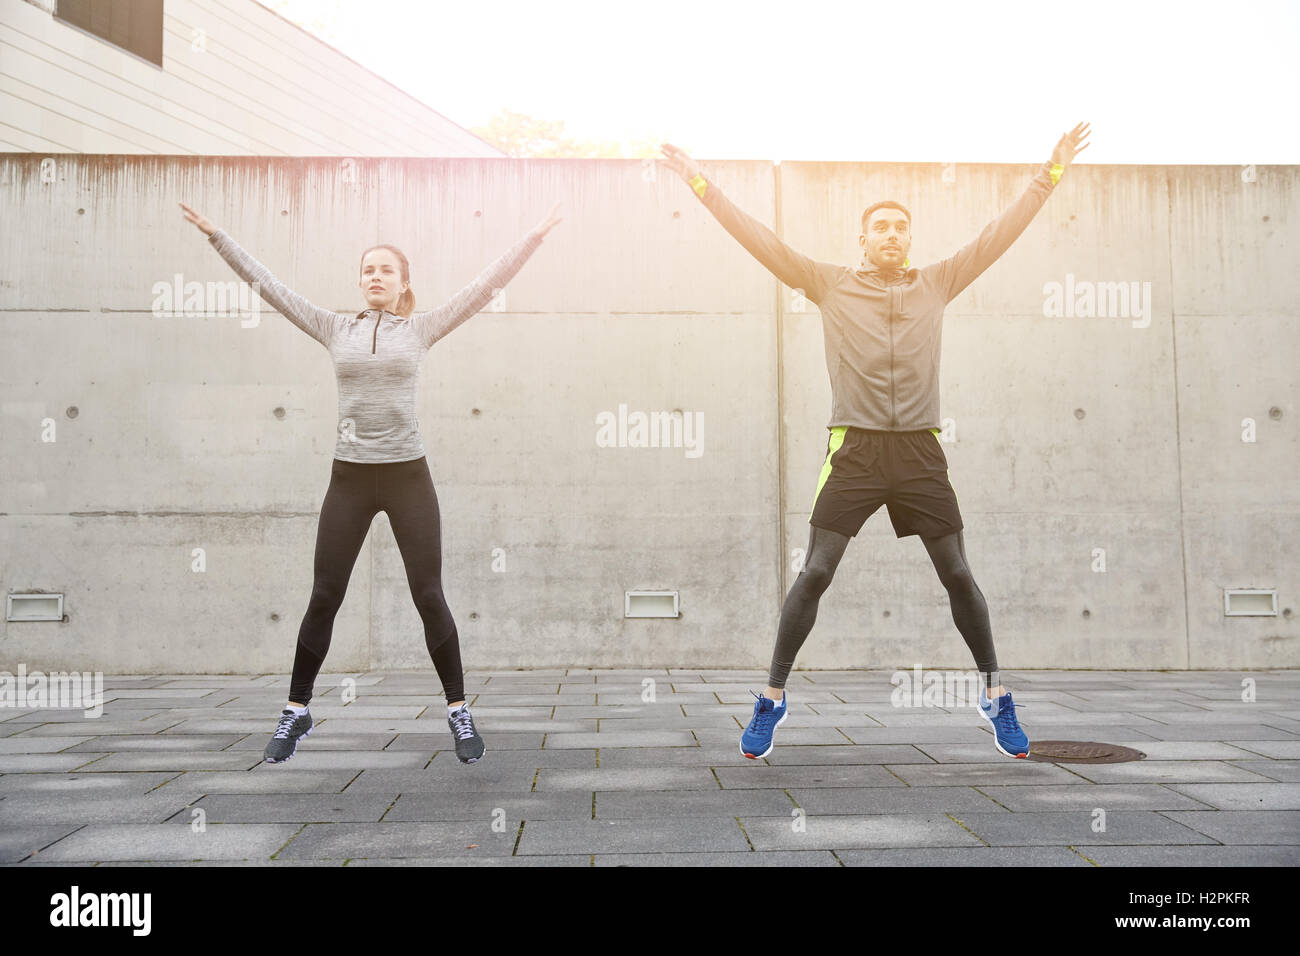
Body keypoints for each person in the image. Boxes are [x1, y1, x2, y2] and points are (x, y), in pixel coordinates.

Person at [659, 123, 1091, 760]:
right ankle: (772, 698)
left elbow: (1000, 234)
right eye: (880, 227)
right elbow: (760, 240)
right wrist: (700, 182)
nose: (892, 234)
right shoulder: (830, 283)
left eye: (901, 227)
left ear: (909, 238)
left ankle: (997, 696)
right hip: (855, 450)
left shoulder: (938, 282)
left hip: (920, 451)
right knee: (815, 572)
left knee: (959, 574)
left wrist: (1049, 174)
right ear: (863, 240)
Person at [178, 199, 562, 763]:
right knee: (325, 595)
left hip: (408, 477)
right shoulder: (334, 328)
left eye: (385, 269)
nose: (374, 276)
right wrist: (217, 236)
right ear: (360, 282)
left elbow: (484, 287)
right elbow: (268, 285)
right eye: (367, 269)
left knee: (428, 594)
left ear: (403, 281)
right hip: (349, 480)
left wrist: (531, 238)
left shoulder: (422, 329)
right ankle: (297, 711)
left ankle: (459, 711)